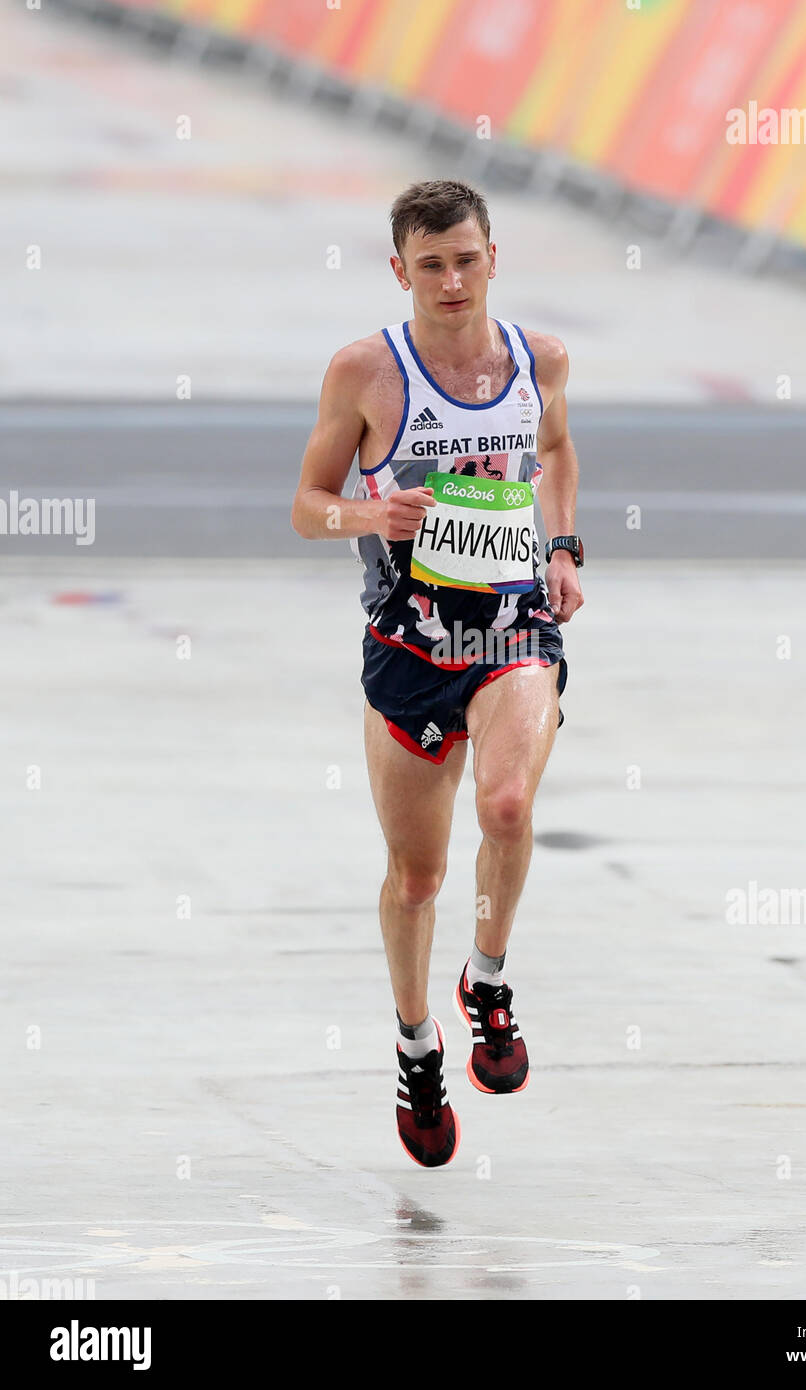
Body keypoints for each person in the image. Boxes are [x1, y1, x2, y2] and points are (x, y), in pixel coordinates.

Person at [292, 179, 584, 1167]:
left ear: (493, 255)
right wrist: (368, 516)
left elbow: (552, 451)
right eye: (430, 264)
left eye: (465, 258)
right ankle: (417, 1047)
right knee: (416, 876)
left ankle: (489, 982)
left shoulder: (538, 358)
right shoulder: (365, 371)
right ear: (399, 271)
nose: (451, 280)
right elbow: (304, 503)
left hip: (510, 628)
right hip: (411, 643)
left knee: (504, 804)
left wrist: (563, 547)